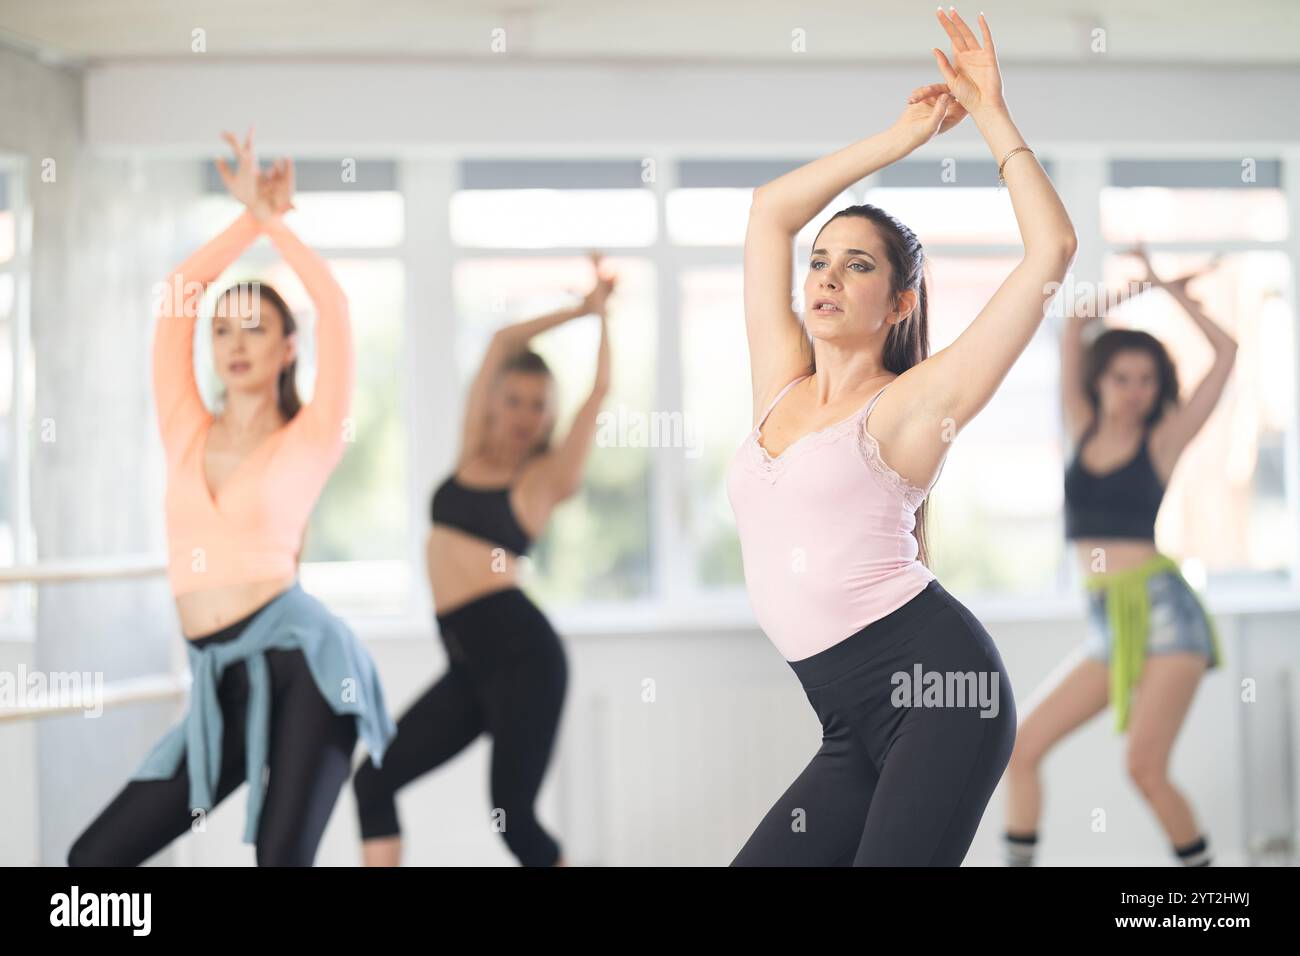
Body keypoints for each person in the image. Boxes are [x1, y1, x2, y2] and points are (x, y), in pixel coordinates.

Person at [726, 8, 1077, 865]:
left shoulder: (913, 406)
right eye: (821, 260)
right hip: (848, 719)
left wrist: (990, 113)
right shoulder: (780, 385)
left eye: (858, 265)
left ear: (900, 302)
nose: (827, 278)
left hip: (941, 696)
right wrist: (903, 135)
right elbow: (770, 212)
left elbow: (1051, 250)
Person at [68, 129, 395, 866]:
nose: (234, 341)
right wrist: (247, 217)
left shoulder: (314, 435)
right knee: (92, 865)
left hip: (306, 665)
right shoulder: (186, 426)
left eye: (256, 327)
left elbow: (335, 307)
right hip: (219, 679)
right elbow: (174, 301)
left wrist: (280, 225)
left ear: (288, 349)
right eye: (222, 329)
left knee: (279, 864)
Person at [352, 255, 615, 866]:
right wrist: (578, 308)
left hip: (524, 658)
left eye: (538, 406)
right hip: (468, 663)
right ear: (494, 403)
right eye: (516, 400)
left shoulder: (542, 480)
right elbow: (502, 339)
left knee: (514, 820)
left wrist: (603, 321)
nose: (525, 416)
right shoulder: (472, 450)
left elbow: (598, 391)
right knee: (373, 781)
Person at [1003, 246, 1234, 867]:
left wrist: (1170, 287)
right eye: (1122, 378)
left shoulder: (1163, 442)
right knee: (1020, 749)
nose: (1135, 392)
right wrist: (1135, 291)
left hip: (1165, 616)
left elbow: (1227, 354)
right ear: (1100, 381)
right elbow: (1075, 321)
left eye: (1147, 380)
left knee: (1145, 770)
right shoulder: (1080, 424)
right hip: (1108, 619)